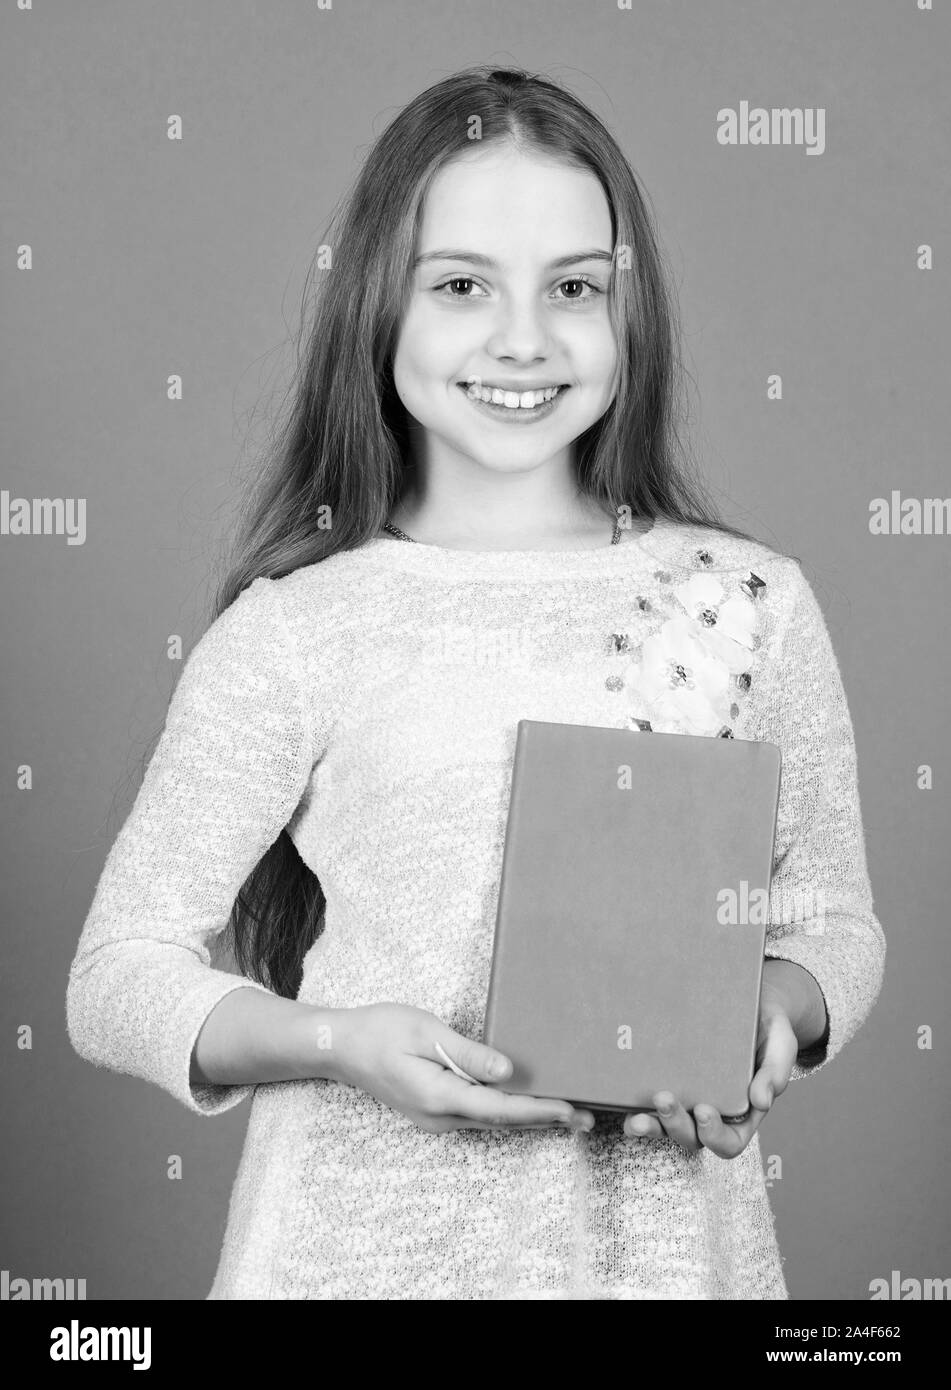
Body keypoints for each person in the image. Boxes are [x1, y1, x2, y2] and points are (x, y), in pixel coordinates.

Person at [66, 66, 885, 1300]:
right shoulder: (300, 629)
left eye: (573, 289)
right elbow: (115, 976)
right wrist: (340, 1046)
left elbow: (835, 922)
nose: (522, 339)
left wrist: (774, 1011)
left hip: (660, 1268)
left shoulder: (751, 602)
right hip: (346, 1262)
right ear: (381, 312)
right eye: (461, 286)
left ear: (629, 313)